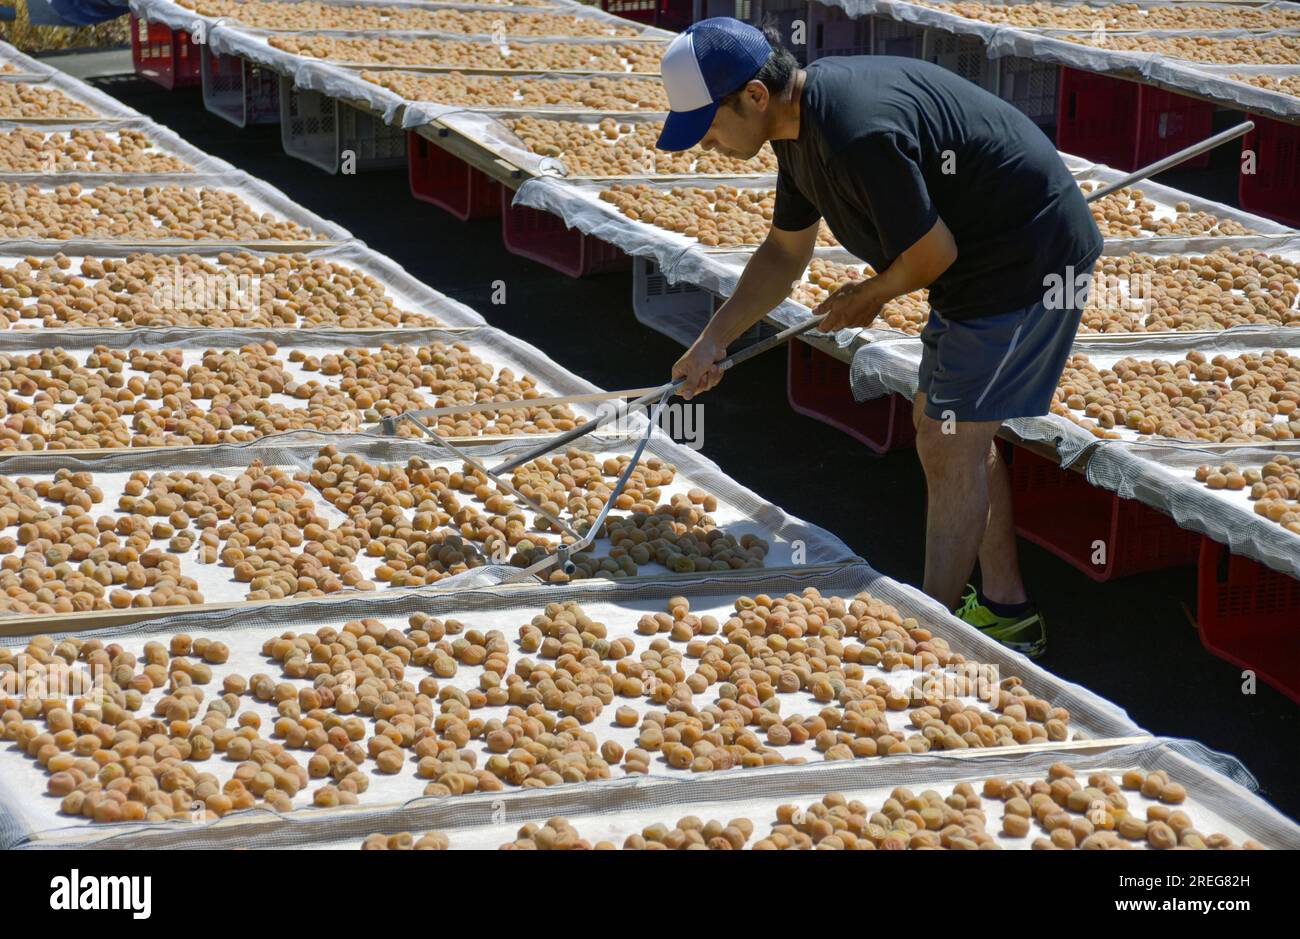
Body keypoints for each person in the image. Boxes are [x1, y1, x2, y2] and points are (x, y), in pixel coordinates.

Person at [658, 18, 1103, 657]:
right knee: (949, 426)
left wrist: (867, 296)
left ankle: (930, 638)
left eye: (708, 126)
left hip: (1027, 255)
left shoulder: (852, 132)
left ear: (755, 95)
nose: (707, 143)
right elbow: (785, 254)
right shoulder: (795, 128)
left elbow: (931, 253)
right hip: (980, 254)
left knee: (949, 435)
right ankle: (1007, 607)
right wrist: (713, 339)